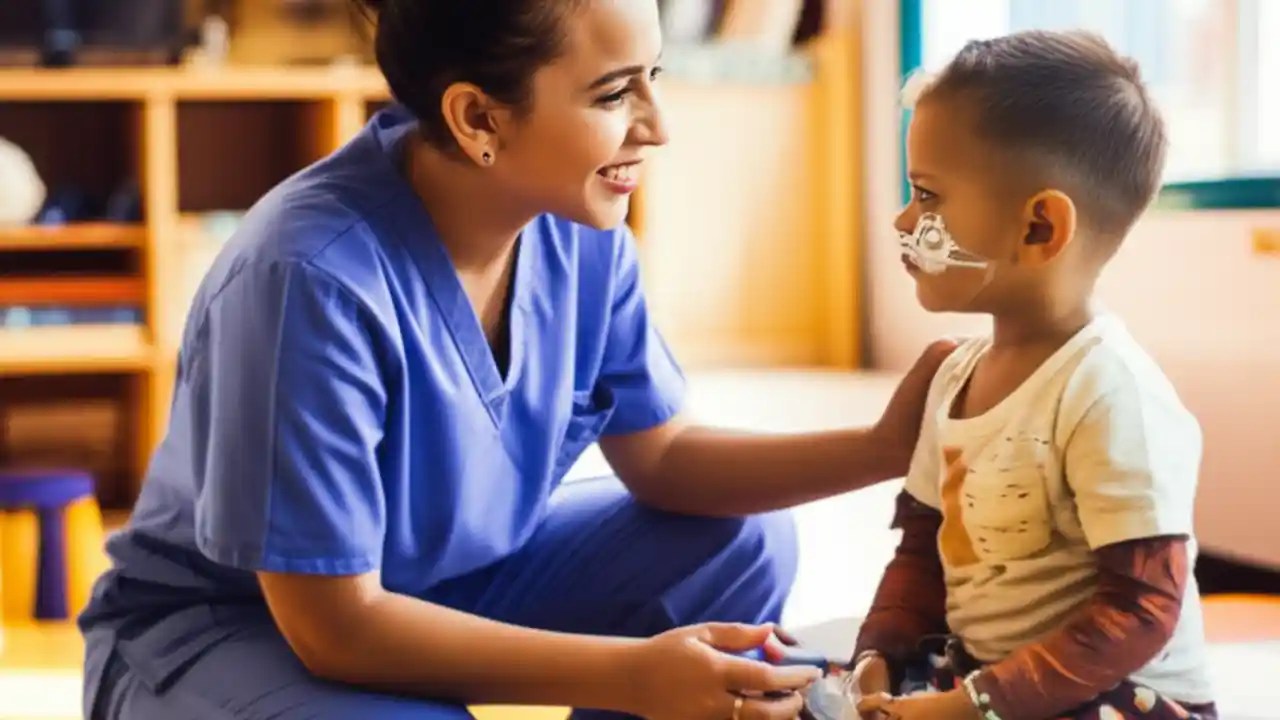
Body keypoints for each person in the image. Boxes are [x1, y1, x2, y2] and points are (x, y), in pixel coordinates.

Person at [77, 1, 955, 719]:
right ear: (478, 117)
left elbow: (665, 460)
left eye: (655, 77)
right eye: (615, 94)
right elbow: (335, 629)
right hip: (234, 628)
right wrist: (629, 676)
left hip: (434, 585)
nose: (659, 126)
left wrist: (885, 446)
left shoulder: (581, 226)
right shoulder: (307, 278)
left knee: (740, 542)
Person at [843, 30, 1216, 720]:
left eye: (927, 196)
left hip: (1123, 696)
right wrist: (880, 656)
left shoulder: (1110, 391)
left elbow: (1143, 610)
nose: (903, 219)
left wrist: (975, 706)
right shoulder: (954, 377)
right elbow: (924, 550)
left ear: (1040, 227)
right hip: (990, 676)